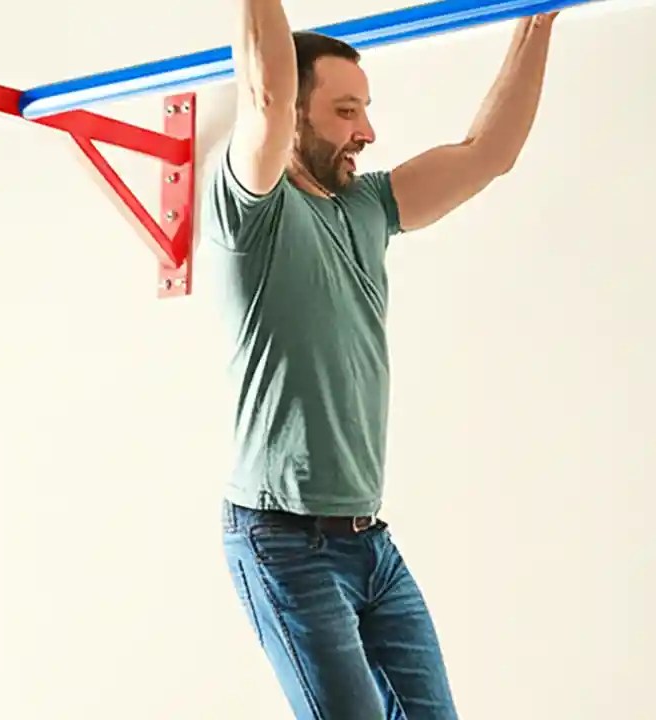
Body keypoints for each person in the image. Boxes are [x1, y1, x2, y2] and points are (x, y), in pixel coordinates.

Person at [200, 1, 558, 717]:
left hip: (368, 543)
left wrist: (539, 19)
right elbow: (266, 94)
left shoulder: (367, 207)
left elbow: (489, 152)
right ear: (294, 115)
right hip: (283, 539)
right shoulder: (253, 213)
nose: (367, 130)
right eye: (344, 111)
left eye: (364, 109)